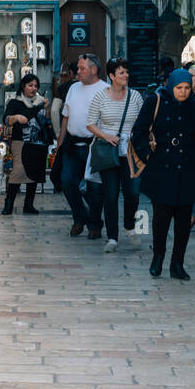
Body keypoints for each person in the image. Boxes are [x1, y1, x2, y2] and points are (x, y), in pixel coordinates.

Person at [131, 68, 195, 280]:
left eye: (186, 88)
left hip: (187, 169)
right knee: (161, 218)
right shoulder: (155, 101)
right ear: (171, 86)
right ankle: (158, 258)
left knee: (184, 221)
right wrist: (148, 156)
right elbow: (138, 132)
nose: (183, 92)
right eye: (179, 88)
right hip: (162, 168)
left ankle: (177, 263)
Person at [85, 57, 144, 251]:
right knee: (110, 195)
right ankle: (112, 238)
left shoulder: (135, 96)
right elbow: (90, 123)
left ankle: (129, 224)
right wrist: (106, 136)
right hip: (108, 151)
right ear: (111, 76)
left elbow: (143, 123)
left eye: (127, 72)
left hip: (130, 152)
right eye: (121, 72)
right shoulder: (100, 97)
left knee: (133, 193)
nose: (125, 75)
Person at [55, 53, 105, 237]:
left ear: (94, 70)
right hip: (72, 143)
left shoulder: (105, 89)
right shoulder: (74, 88)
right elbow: (65, 117)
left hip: (95, 146)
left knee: (95, 188)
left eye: (82, 68)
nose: (78, 71)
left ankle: (95, 225)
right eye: (78, 68)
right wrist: (60, 143)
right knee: (67, 182)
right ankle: (79, 217)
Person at [2, 73, 48, 215]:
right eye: (30, 85)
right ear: (23, 86)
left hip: (38, 142)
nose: (33, 88)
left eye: (35, 86)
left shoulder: (42, 101)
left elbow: (47, 121)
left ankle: (29, 205)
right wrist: (15, 117)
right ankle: (8, 205)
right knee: (18, 171)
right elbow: (6, 119)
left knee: (34, 172)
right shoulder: (15, 102)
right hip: (21, 141)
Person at [48, 62, 75, 194]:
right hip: (89, 136)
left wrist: (58, 134)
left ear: (70, 73)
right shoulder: (90, 87)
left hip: (68, 135)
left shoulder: (64, 87)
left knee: (60, 169)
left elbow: (54, 111)